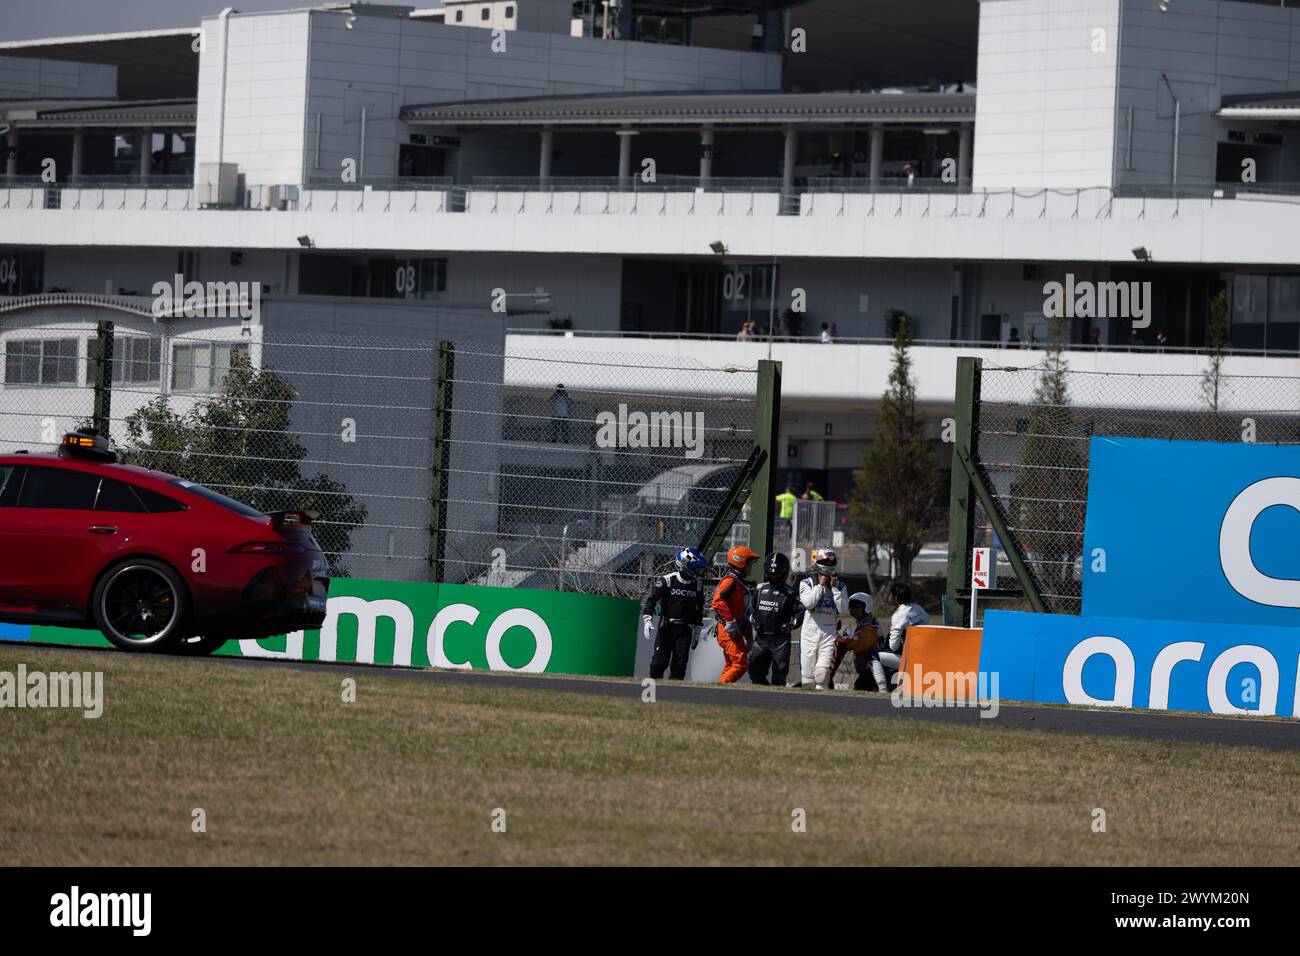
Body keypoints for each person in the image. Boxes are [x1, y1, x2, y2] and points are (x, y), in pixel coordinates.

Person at [641, 547, 708, 680]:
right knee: (658, 663)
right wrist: (647, 620)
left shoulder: (698, 585)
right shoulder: (667, 580)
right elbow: (651, 600)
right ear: (685, 565)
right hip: (667, 628)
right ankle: (653, 690)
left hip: (685, 631)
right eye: (696, 568)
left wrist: (697, 628)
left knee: (679, 667)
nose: (699, 572)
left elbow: (699, 607)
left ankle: (674, 695)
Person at [797, 548, 848, 689]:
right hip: (809, 633)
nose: (829, 564)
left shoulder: (841, 585)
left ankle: (823, 702)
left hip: (829, 634)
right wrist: (820, 586)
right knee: (807, 680)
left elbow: (843, 609)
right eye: (825, 561)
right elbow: (808, 603)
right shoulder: (807, 583)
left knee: (822, 675)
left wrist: (834, 589)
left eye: (831, 561)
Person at [748, 552, 801, 686]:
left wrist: (792, 624)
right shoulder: (760, 589)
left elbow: (799, 612)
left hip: (780, 640)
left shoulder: (790, 593)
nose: (774, 576)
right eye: (771, 573)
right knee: (755, 674)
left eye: (776, 574)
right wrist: (753, 618)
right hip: (761, 638)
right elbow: (751, 609)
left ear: (784, 573)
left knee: (779, 676)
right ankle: (762, 698)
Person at [712, 545, 759, 683]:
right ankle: (719, 692)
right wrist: (730, 621)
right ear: (741, 563)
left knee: (731, 665)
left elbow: (742, 612)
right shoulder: (730, 581)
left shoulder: (737, 582)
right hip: (728, 630)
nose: (751, 567)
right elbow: (718, 601)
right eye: (749, 563)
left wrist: (749, 637)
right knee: (740, 664)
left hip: (733, 629)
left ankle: (719, 689)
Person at [833, 592, 889, 692]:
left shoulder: (869, 625)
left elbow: (863, 645)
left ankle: (882, 689)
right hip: (867, 665)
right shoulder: (864, 622)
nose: (853, 610)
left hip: (873, 665)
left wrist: (848, 642)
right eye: (851, 607)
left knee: (860, 687)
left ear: (866, 607)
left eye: (856, 607)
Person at [879, 581, 930, 681]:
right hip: (924, 654)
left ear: (896, 598)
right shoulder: (919, 609)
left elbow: (893, 646)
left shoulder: (898, 616)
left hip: (910, 659)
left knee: (876, 656)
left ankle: (883, 688)